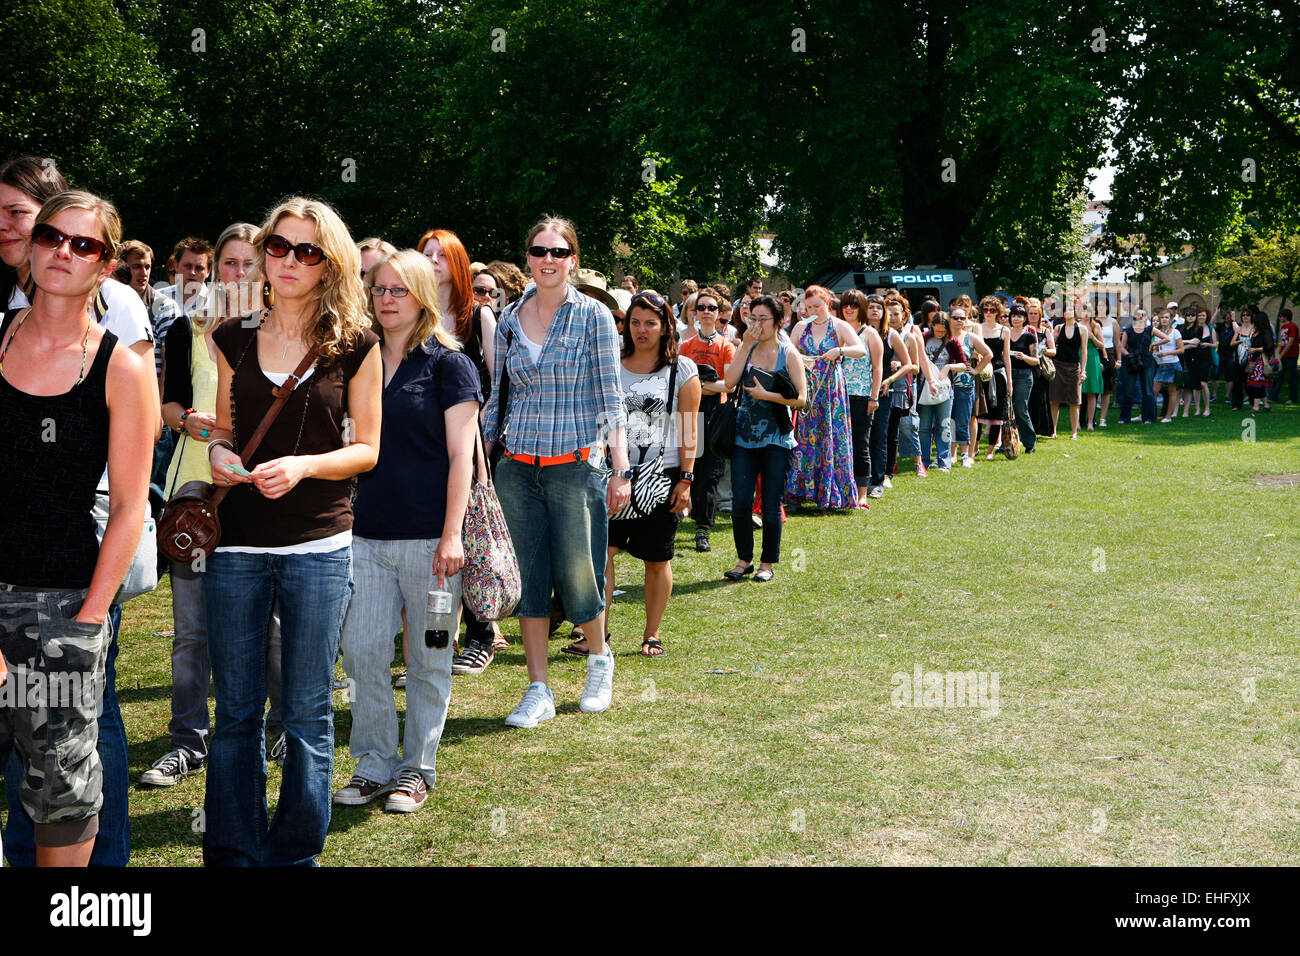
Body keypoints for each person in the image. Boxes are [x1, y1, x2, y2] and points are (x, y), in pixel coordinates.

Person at [202, 196, 382, 865]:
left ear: (329, 263)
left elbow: (368, 449)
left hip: (318, 545)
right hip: (238, 544)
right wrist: (222, 456)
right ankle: (232, 851)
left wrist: (306, 465)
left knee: (306, 713)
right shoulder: (231, 336)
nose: (288, 262)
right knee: (237, 713)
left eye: (307, 251)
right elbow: (223, 432)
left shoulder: (357, 345)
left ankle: (294, 854)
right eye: (279, 246)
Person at [1, 164, 154, 869]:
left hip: (65, 604)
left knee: (60, 794)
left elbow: (129, 507)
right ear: (31, 247)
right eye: (51, 236)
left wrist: (89, 620)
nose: (63, 251)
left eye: (83, 245)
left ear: (105, 265)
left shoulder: (121, 367)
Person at [334, 249, 479, 812]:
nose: (386, 300)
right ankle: (373, 763)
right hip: (366, 537)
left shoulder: (449, 364)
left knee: (430, 658)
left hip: (433, 543)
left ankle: (417, 768)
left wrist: (451, 535)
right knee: (362, 653)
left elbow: (461, 459)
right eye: (379, 289)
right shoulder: (359, 359)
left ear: (421, 296)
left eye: (399, 290)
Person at [483, 216, 630, 727]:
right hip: (516, 466)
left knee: (578, 571)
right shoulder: (507, 319)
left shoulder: (594, 316)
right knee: (529, 576)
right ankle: (538, 687)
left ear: (573, 259)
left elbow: (612, 398)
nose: (548, 260)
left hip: (576, 464)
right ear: (528, 257)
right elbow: (497, 399)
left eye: (559, 251)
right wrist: (483, 461)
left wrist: (620, 468)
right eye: (539, 250)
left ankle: (598, 660)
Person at [417, 228, 502, 675]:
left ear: (457, 261)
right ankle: (434, 640)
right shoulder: (414, 313)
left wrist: (482, 446)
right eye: (425, 254)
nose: (432, 261)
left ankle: (481, 633)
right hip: (419, 443)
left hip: (469, 443)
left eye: (440, 254)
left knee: (470, 536)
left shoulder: (478, 317)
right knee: (429, 540)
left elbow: (495, 385)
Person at [603, 292, 700, 656]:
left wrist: (686, 479)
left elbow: (690, 430)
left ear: (665, 327)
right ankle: (599, 633)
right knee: (603, 554)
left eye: (650, 323)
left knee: (657, 559)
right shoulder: (610, 360)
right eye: (635, 322)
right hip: (611, 472)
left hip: (663, 475)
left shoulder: (682, 369)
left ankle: (651, 633)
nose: (641, 330)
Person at [722, 296, 807, 583]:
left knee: (771, 504)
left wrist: (767, 395)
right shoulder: (744, 346)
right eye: (752, 318)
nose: (756, 324)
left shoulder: (788, 353)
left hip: (777, 438)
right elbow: (730, 382)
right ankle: (743, 559)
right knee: (741, 502)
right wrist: (745, 344)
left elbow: (802, 400)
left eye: (762, 319)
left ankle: (767, 562)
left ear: (778, 321)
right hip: (743, 437)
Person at [785, 284, 864, 509]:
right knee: (804, 437)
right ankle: (799, 492)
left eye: (817, 306)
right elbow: (789, 353)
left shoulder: (839, 325)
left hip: (831, 388)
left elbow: (860, 349)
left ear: (827, 303)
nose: (813, 310)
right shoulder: (801, 326)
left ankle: (831, 494)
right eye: (808, 307)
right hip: (808, 387)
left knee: (831, 435)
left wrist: (839, 351)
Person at [678, 287, 735, 550]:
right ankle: (679, 509)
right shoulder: (686, 346)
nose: (706, 312)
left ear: (719, 312)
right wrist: (706, 384)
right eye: (702, 308)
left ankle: (703, 527)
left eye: (712, 308)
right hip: (689, 410)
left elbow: (731, 385)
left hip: (715, 412)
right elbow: (679, 381)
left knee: (709, 473)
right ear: (694, 312)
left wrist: (703, 385)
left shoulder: (726, 346)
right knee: (685, 465)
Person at [838, 290, 884, 504]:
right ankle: (839, 491)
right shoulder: (836, 329)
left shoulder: (869, 333)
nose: (849, 309)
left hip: (861, 397)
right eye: (846, 305)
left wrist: (874, 397)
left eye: (854, 305)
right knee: (838, 445)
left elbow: (877, 368)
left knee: (860, 445)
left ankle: (862, 494)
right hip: (836, 396)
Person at [867, 295, 914, 496]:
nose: (875, 310)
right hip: (856, 392)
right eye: (870, 307)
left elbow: (910, 365)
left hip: (881, 393)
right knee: (860, 439)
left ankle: (877, 481)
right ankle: (859, 479)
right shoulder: (856, 332)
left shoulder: (891, 335)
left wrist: (890, 380)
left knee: (879, 437)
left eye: (879, 307)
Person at [918, 310, 968, 470]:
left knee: (944, 425)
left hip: (945, 389)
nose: (940, 333)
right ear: (931, 326)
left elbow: (964, 365)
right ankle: (923, 461)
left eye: (943, 331)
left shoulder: (952, 342)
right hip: (924, 387)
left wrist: (948, 367)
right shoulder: (923, 338)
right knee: (924, 426)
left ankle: (944, 461)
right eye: (937, 330)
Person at [949, 306, 992, 467]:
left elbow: (988, 354)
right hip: (947, 384)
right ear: (950, 319)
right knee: (949, 420)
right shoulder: (944, 336)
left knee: (964, 420)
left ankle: (965, 455)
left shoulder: (970, 337)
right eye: (955, 318)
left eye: (962, 318)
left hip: (965, 385)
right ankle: (950, 454)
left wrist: (976, 370)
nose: (959, 321)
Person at [976, 296, 1012, 457]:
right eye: (985, 309)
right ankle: (974, 448)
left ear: (998, 312)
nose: (989, 313)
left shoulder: (1005, 330)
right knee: (978, 413)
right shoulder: (976, 329)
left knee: (997, 414)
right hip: (981, 374)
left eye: (992, 310)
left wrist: (1010, 381)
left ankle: (990, 451)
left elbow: (1006, 357)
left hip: (998, 375)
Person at [1049, 306, 1088, 439]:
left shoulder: (1082, 329)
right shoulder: (1058, 328)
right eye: (1065, 310)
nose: (1067, 312)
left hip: (1074, 367)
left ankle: (1074, 433)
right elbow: (1051, 345)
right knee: (1055, 399)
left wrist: (1083, 371)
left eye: (1070, 310)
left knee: (1075, 401)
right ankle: (1053, 431)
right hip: (1058, 365)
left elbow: (1084, 351)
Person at [1006, 304, 1039, 454]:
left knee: (1020, 409)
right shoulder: (1005, 333)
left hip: (1024, 375)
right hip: (1007, 373)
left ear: (1024, 319)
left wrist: (1024, 357)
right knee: (1005, 409)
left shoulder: (1029, 336)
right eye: (1014, 316)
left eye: (1019, 316)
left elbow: (1036, 360)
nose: (1016, 319)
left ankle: (1029, 442)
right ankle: (1006, 443)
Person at [1025, 298, 1057, 438]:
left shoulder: (1045, 331)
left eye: (1035, 313)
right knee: (1027, 399)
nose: (1032, 316)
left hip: (1040, 369)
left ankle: (1041, 429)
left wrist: (1041, 350)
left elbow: (1053, 351)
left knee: (1040, 399)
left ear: (1039, 315)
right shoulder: (1023, 330)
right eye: (1030, 313)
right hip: (1025, 366)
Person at [1236, 311, 1277, 412]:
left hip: (1261, 361)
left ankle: (1256, 407)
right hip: (1253, 360)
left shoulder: (1265, 332)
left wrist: (1256, 349)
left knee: (1257, 384)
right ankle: (1266, 405)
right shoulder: (1256, 331)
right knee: (1257, 383)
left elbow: (1270, 347)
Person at [1179, 306, 1216, 417]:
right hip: (1194, 358)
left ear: (1206, 316)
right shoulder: (1194, 328)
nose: (1201, 317)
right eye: (1199, 315)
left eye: (1203, 315)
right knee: (1195, 384)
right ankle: (1197, 409)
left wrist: (1208, 344)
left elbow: (1215, 344)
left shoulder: (1210, 328)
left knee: (1203, 383)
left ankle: (1207, 408)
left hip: (1205, 358)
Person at [1152, 310, 1184, 422]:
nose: (1164, 319)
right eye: (1162, 317)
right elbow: (1156, 349)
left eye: (1166, 317)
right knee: (1154, 390)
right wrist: (1154, 353)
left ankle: (1168, 417)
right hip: (1162, 365)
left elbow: (1181, 350)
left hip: (1173, 364)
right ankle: (1150, 414)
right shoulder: (1157, 333)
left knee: (1172, 391)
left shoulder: (1175, 332)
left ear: (1170, 319)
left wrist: (1166, 353)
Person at [1081, 311, 1105, 430]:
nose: (1086, 314)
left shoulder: (1096, 326)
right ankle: (1078, 422)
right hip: (1079, 356)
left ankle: (1090, 422)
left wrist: (1092, 337)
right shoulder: (1076, 325)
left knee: (1092, 391)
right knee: (1078, 391)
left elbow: (1101, 345)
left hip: (1092, 356)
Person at [1269, 308, 1297, 405]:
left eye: (1280, 316)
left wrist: (1281, 354)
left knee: (1292, 377)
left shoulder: (1292, 326)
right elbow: (1283, 343)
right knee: (1278, 376)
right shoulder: (1283, 327)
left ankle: (1293, 399)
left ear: (1285, 317)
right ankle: (1273, 397)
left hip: (1291, 356)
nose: (1279, 318)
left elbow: (1290, 342)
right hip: (1283, 356)